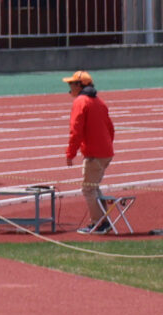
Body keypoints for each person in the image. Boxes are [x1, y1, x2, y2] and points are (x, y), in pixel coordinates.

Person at [63, 70, 116, 234]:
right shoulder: (99, 102)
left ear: (80, 85)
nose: (69, 88)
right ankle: (102, 221)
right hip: (105, 152)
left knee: (88, 189)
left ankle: (99, 223)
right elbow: (110, 128)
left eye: (71, 84)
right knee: (94, 187)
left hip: (95, 154)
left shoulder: (81, 102)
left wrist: (70, 153)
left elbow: (76, 130)